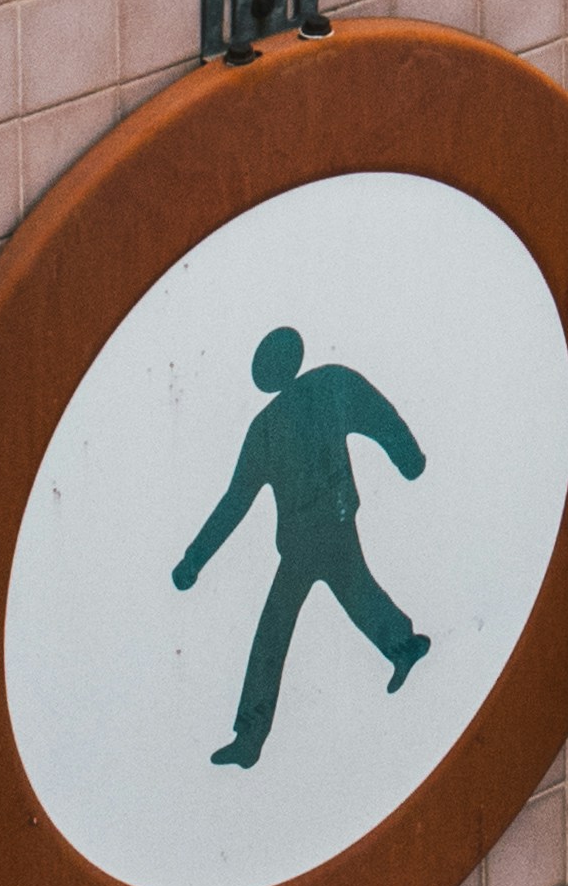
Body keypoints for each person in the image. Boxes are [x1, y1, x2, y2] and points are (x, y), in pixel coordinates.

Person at [172, 322, 432, 769]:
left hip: (315, 530)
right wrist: (408, 458)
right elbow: (235, 501)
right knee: (353, 591)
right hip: (320, 527)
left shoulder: (295, 407)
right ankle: (402, 644)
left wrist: (408, 457)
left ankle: (251, 736)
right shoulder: (306, 399)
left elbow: (375, 415)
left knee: (276, 626)